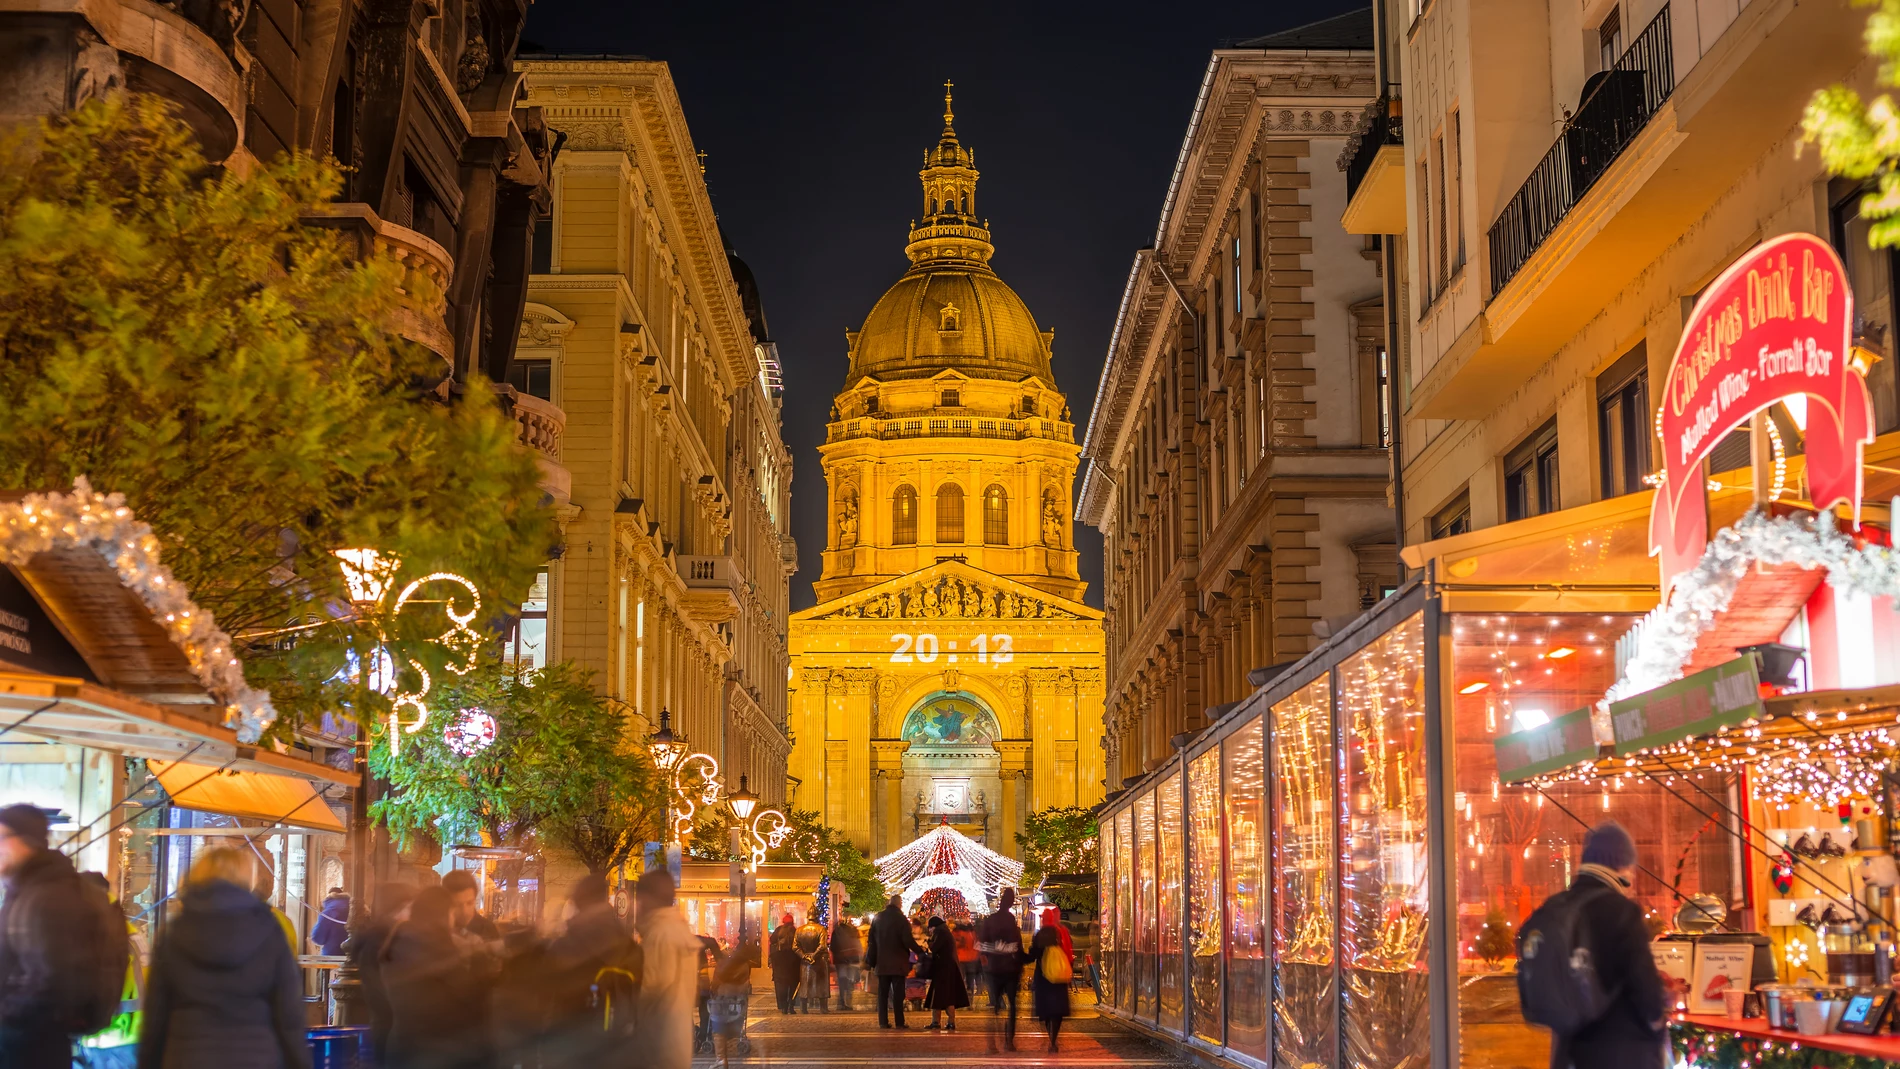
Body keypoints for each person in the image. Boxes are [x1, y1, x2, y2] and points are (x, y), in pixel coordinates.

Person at [137, 847, 311, 1069]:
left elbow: (155, 1017)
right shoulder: (269, 930)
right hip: (256, 1059)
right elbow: (289, 1015)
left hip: (186, 1059)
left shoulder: (175, 933)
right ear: (246, 878)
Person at [1544, 822, 1667, 1069]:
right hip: (1619, 1055)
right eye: (1631, 869)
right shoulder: (1623, 913)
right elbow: (1647, 995)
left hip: (1568, 1054)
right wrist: (1659, 1020)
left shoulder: (1556, 909)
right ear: (1620, 864)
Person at [381, 885, 488, 1069]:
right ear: (442, 914)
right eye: (452, 913)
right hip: (437, 1051)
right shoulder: (437, 949)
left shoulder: (397, 941)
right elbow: (469, 996)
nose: (453, 920)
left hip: (402, 1047)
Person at [543, 874, 638, 1066]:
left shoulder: (565, 945)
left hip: (571, 1050)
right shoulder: (630, 947)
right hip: (620, 1049)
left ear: (578, 904)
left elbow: (546, 1001)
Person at [631, 869, 700, 1069]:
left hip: (656, 1044)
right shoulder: (676, 929)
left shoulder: (660, 933)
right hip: (674, 1041)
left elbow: (649, 988)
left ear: (646, 898)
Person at [350, 881, 416, 1065]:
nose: (410, 914)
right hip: (390, 1027)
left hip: (391, 1026)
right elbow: (380, 991)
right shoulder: (379, 942)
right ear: (394, 909)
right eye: (407, 907)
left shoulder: (390, 938)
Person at [976, 887, 1027, 1053]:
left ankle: (991, 1043)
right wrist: (1021, 958)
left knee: (995, 1007)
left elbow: (981, 944)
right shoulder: (1011, 921)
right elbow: (1016, 947)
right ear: (1011, 902)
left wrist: (990, 953)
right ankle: (1008, 1041)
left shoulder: (991, 920)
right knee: (1012, 1005)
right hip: (1010, 969)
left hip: (993, 968)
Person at [867, 895, 920, 1029]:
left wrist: (871, 961)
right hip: (898, 962)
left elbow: (871, 941)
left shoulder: (878, 918)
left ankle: (883, 1022)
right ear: (899, 904)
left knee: (882, 993)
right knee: (898, 994)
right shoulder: (901, 919)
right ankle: (899, 1022)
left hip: (882, 962)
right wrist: (920, 952)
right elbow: (907, 940)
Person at [1029, 908, 1073, 1051]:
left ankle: (1051, 1039)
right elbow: (1067, 951)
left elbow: (1033, 954)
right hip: (1058, 976)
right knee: (1057, 1010)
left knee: (1046, 1010)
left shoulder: (1039, 934)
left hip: (1043, 976)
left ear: (1043, 919)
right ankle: (1054, 1039)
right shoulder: (1059, 932)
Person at [705, 943, 753, 1069]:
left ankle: (721, 1059)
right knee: (728, 1028)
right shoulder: (745, 966)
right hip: (737, 1002)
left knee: (718, 1029)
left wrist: (714, 990)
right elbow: (746, 983)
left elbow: (717, 981)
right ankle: (721, 1059)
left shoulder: (726, 963)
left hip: (721, 1000)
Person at [922, 916, 968, 1031]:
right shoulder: (946, 931)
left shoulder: (940, 932)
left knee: (938, 995)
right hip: (950, 968)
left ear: (934, 926)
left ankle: (937, 1022)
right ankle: (950, 1022)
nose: (930, 931)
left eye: (930, 928)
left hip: (943, 969)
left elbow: (935, 948)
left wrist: (928, 942)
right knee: (948, 996)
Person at [443, 869, 502, 943]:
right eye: (457, 905)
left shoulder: (487, 928)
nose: (465, 911)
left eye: (469, 903)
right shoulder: (437, 931)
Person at [793, 914, 830, 1014]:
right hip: (819, 960)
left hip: (805, 961)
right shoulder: (821, 929)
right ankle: (823, 1008)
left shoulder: (799, 930)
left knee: (805, 985)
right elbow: (822, 946)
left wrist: (804, 956)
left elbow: (795, 947)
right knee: (822, 985)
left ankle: (803, 1008)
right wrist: (813, 956)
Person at [769, 915, 800, 1013]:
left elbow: (772, 941)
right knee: (792, 984)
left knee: (781, 985)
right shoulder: (795, 931)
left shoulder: (778, 931)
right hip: (793, 961)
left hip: (779, 962)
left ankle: (783, 1006)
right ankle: (791, 1004)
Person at [829, 917, 862, 1010]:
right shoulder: (851, 931)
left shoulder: (836, 933)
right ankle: (848, 1001)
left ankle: (841, 1001)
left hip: (840, 960)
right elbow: (856, 944)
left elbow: (832, 947)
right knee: (850, 981)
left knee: (842, 980)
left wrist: (835, 957)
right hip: (851, 959)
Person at [311, 887, 350, 957]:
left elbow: (317, 938)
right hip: (352, 955)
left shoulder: (328, 913)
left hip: (332, 956)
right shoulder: (354, 909)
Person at [953, 922, 980, 1009]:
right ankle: (969, 1002)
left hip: (960, 959)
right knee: (970, 981)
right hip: (972, 959)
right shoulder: (973, 933)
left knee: (959, 981)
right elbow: (977, 945)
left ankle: (960, 1001)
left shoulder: (956, 933)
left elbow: (953, 945)